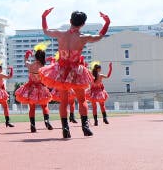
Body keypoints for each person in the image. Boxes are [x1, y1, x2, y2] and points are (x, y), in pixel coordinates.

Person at [39, 8, 110, 138]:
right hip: (76, 71)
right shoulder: (83, 37)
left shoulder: (61, 34)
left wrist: (44, 17)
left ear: (70, 21)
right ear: (83, 24)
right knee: (82, 100)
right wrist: (107, 22)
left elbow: (46, 30)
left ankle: (65, 129)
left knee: (64, 101)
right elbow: (99, 36)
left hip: (61, 70)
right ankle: (85, 127)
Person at [15, 44, 54, 133]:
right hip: (41, 88)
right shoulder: (43, 67)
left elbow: (25, 62)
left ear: (35, 56)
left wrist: (26, 56)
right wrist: (51, 61)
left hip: (30, 88)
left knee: (32, 108)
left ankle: (32, 125)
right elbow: (52, 67)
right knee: (44, 106)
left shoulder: (31, 65)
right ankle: (47, 122)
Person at [87, 61, 112, 126]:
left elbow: (87, 74)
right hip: (99, 92)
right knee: (102, 105)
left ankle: (96, 121)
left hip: (92, 93)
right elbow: (108, 76)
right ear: (98, 69)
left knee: (94, 107)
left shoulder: (91, 76)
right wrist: (110, 68)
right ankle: (105, 119)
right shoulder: (100, 76)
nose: (101, 69)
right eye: (100, 68)